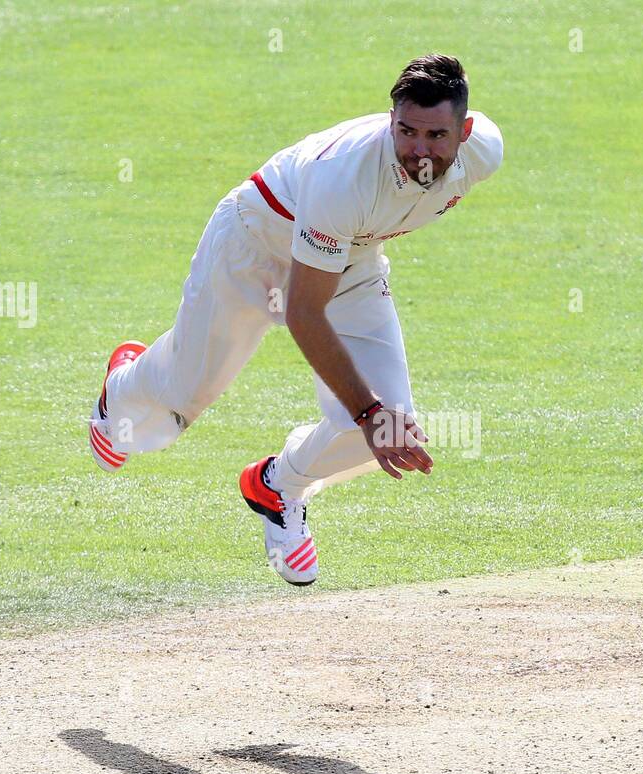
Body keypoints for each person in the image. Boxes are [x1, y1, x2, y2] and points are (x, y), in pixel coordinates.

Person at [88, 54, 503, 585]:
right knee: (181, 399)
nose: (419, 151)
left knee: (394, 424)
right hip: (253, 244)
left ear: (465, 131)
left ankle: (276, 485)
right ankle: (121, 388)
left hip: (350, 259)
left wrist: (375, 416)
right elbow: (305, 314)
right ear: (389, 120)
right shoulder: (344, 177)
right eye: (406, 131)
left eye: (436, 135)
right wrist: (366, 411)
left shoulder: (485, 151)